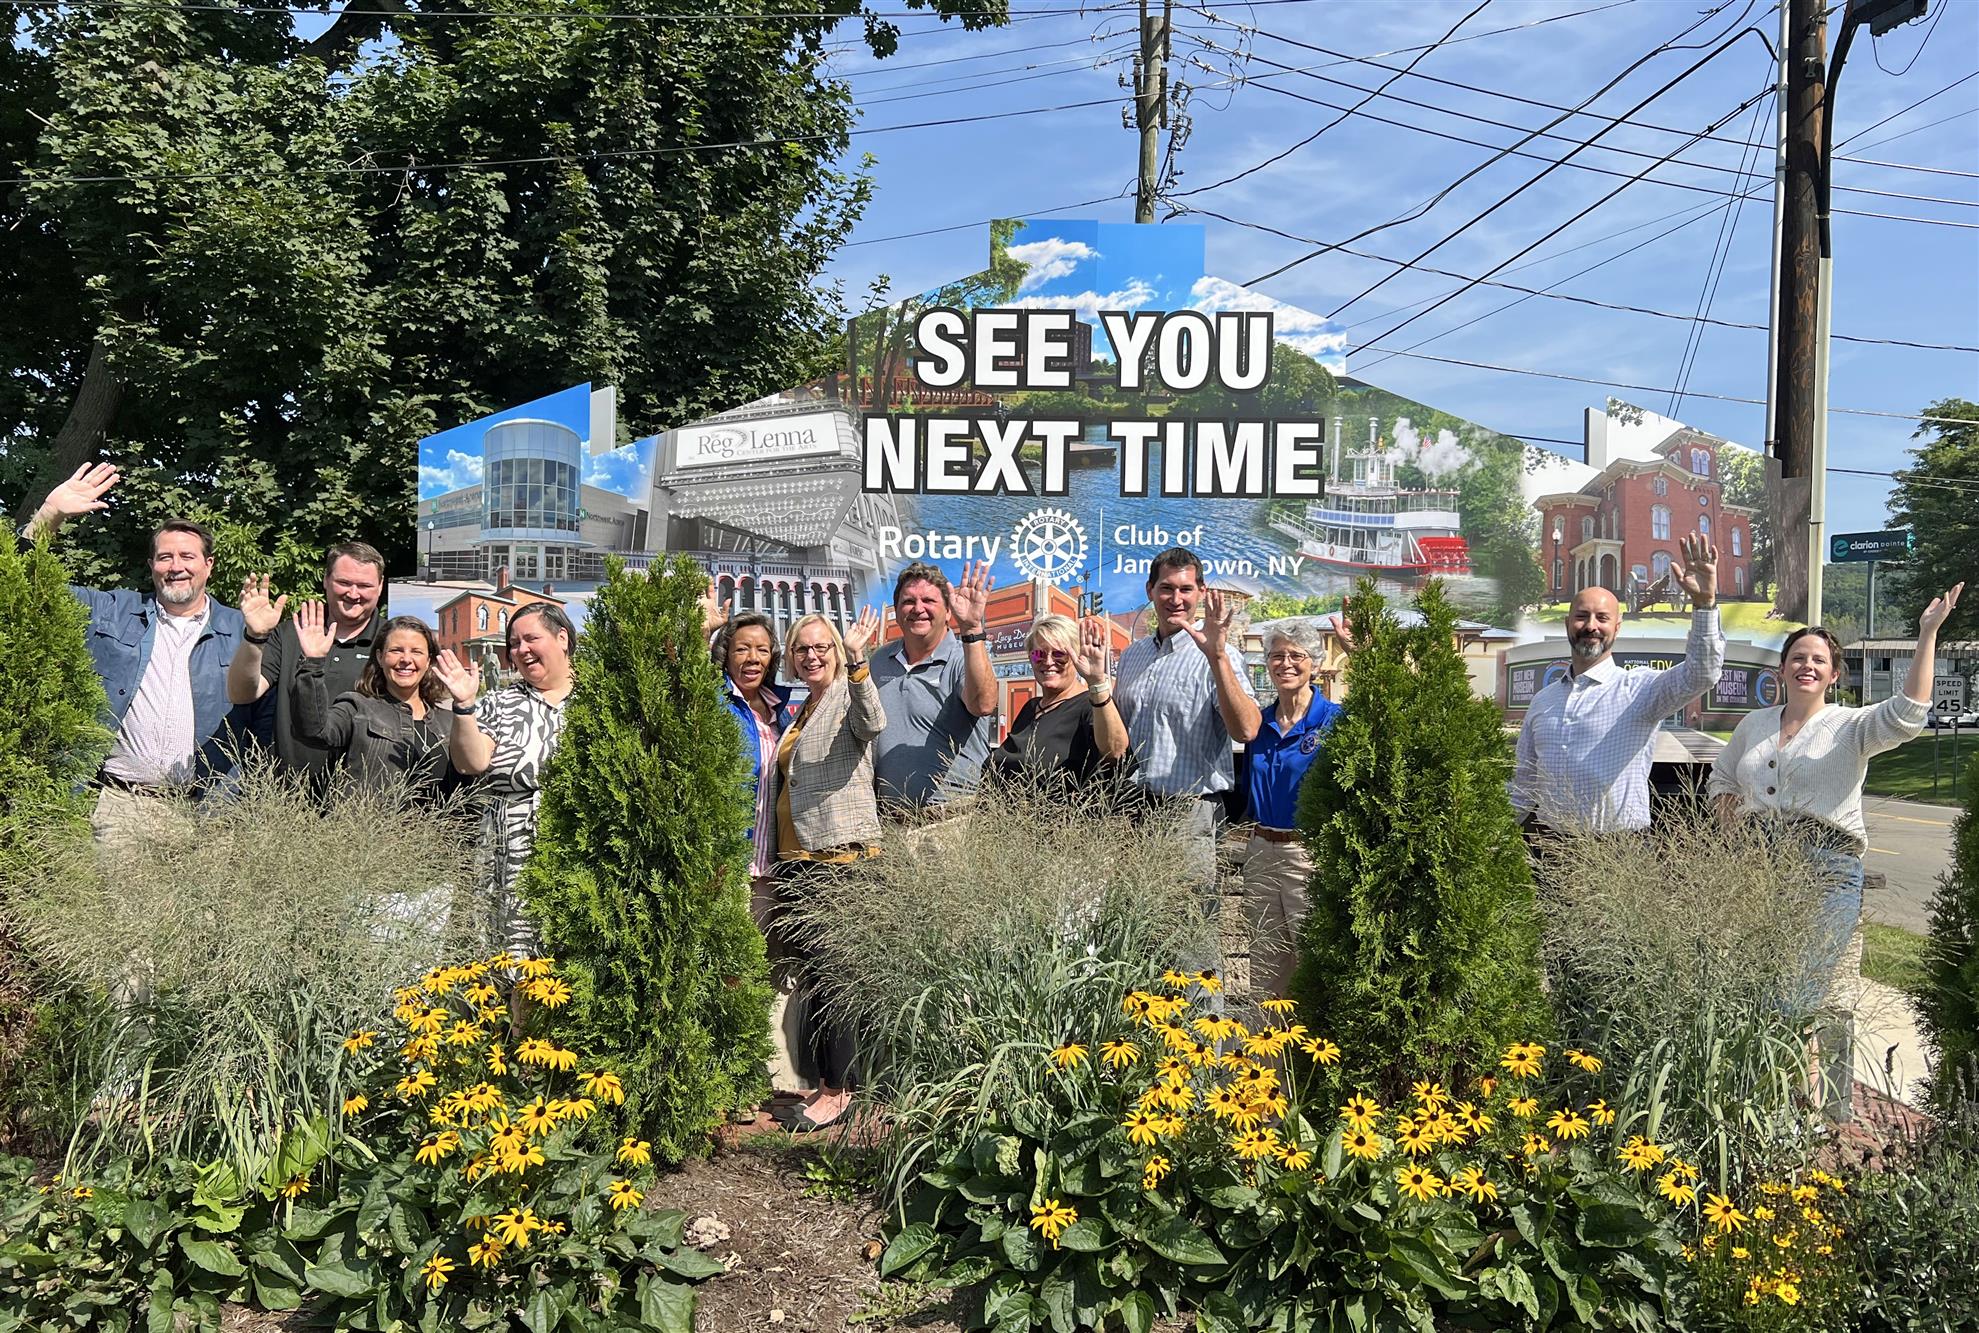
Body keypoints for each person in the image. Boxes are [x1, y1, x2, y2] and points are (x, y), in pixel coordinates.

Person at [1709, 586, 1961, 1113]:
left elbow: (1909, 713)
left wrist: (1928, 633)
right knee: (1756, 981)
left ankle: (1799, 1111)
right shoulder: (1754, 725)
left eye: (1818, 660)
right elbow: (1722, 781)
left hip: (1825, 869)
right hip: (1757, 868)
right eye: (1798, 657)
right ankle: (1779, 1104)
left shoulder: (1850, 726)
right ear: (1782, 669)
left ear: (1833, 675)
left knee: (1796, 994)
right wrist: (1736, 831)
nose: (1807, 665)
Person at [22, 463, 260, 841]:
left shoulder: (243, 630)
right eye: (165, 557)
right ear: (151, 565)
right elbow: (26, 583)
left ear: (208, 566)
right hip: (121, 810)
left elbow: (264, 724)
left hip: (208, 814)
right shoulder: (114, 613)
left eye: (187, 557)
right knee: (116, 903)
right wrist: (49, 515)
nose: (176, 567)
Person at [1512, 534, 1723, 835]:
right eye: (1582, 616)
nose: (1591, 626)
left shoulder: (1640, 690)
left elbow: (1701, 675)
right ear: (1567, 623)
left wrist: (1704, 606)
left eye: (1602, 618)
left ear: (1616, 628)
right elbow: (1525, 779)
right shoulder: (1543, 701)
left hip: (1618, 853)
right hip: (1549, 851)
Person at [772, 607, 885, 1132]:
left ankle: (840, 1092)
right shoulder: (802, 706)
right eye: (802, 649)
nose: (812, 656)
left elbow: (872, 722)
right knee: (818, 979)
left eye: (822, 647)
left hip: (839, 860)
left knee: (836, 980)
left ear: (837, 652)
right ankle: (828, 1083)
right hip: (801, 860)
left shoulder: (847, 692)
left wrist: (859, 664)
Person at [1112, 547, 1262, 899]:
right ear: (1150, 591)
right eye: (1166, 588)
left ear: (1201, 593)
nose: (1175, 599)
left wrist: (1218, 658)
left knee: (1188, 938)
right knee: (1132, 931)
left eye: (1185, 589)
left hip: (1188, 814)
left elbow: (1248, 730)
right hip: (1133, 810)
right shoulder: (1134, 655)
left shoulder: (1218, 654)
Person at [433, 603, 577, 955]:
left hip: (580, 848)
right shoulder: (500, 702)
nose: (520, 650)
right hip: (509, 854)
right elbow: (472, 762)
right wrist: (465, 705)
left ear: (562, 638)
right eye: (514, 643)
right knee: (512, 960)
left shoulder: (602, 698)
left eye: (531, 638)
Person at [711, 611, 802, 1095]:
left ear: (773, 657)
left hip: (772, 862)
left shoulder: (783, 709)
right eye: (741, 647)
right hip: (729, 859)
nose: (751, 658)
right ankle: (727, 1078)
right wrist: (702, 632)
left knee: (764, 970)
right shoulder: (715, 700)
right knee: (729, 970)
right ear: (726, 652)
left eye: (761, 649)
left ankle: (756, 1072)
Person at [1238, 623, 1343, 1000]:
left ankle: (1313, 1057)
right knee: (1266, 968)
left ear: (1315, 664)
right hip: (1261, 851)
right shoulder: (1258, 724)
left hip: (1309, 854)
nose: (1286, 663)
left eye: (1297, 655)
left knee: (1314, 960)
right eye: (1277, 655)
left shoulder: (1334, 720)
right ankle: (1270, 1058)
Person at [228, 544, 388, 785]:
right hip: (287, 797)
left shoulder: (392, 642)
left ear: (380, 586)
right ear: (325, 579)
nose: (354, 594)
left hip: (361, 799)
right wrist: (255, 636)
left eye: (365, 585)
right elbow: (242, 694)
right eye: (344, 583)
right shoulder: (292, 633)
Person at [870, 561, 997, 816]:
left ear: (948, 611)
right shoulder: (879, 661)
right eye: (908, 601)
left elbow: (983, 704)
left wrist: (972, 630)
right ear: (896, 610)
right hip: (889, 819)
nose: (918, 609)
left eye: (929, 600)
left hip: (951, 819)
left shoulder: (966, 657)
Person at [290, 607, 455, 800]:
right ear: (380, 657)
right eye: (396, 650)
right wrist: (313, 664)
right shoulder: (356, 708)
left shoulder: (448, 722)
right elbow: (314, 731)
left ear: (428, 661)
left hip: (434, 830)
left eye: (416, 652)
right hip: (370, 828)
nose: (406, 659)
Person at [983, 613, 1129, 791]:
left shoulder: (1091, 706)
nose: (1049, 662)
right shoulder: (1031, 708)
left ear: (1077, 658)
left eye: (1060, 654)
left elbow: (1115, 753)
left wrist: (1096, 683)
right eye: (1039, 654)